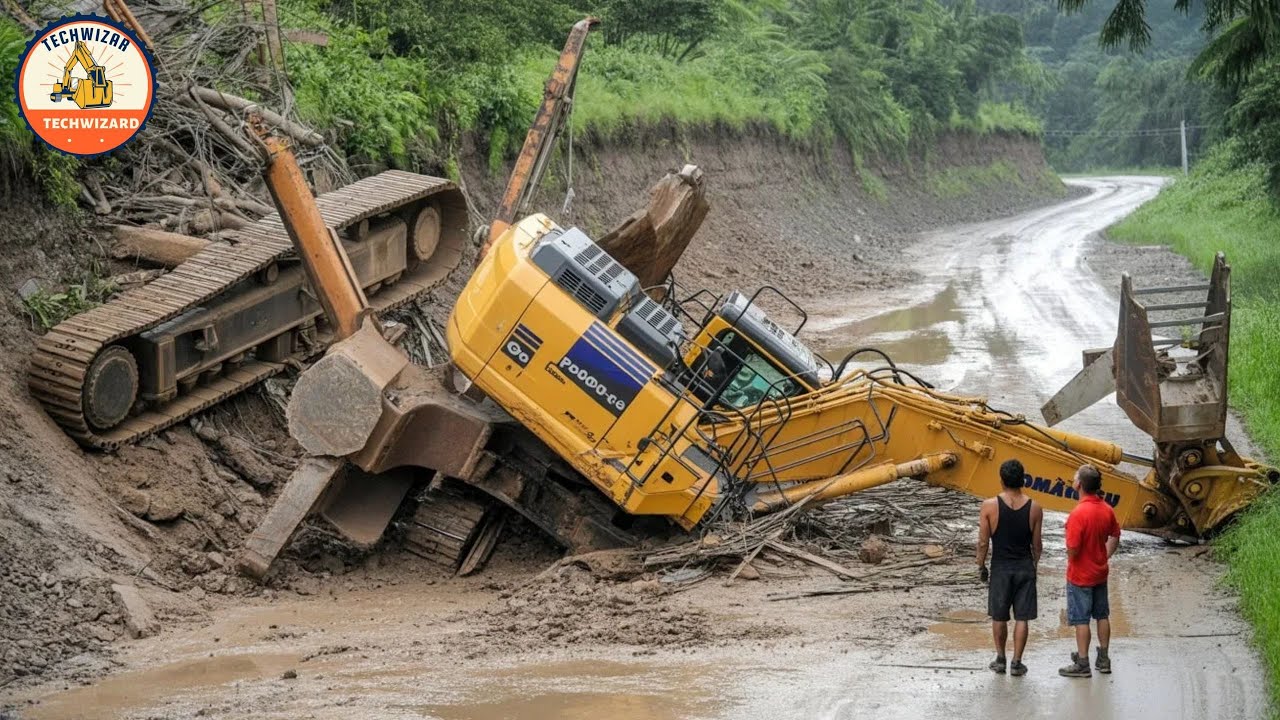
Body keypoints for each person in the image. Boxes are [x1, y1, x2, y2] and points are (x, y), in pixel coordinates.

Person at [977, 458, 1043, 676]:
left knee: (999, 616)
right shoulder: (1035, 508)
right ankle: (1017, 662)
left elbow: (983, 542)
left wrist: (981, 564)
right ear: (1022, 479)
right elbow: (1037, 544)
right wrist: (1035, 564)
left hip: (1000, 568)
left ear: (1001, 480)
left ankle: (1000, 658)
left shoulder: (989, 506)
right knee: (1022, 617)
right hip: (1024, 566)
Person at [1059, 463, 1121, 678]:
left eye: (1075, 477)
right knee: (1102, 615)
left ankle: (1082, 662)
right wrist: (1105, 555)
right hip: (1100, 573)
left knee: (1081, 620)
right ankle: (1104, 659)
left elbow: (1073, 548)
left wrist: (1071, 558)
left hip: (1080, 575)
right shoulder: (1107, 509)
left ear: (1079, 485)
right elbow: (1115, 535)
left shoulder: (1078, 514)